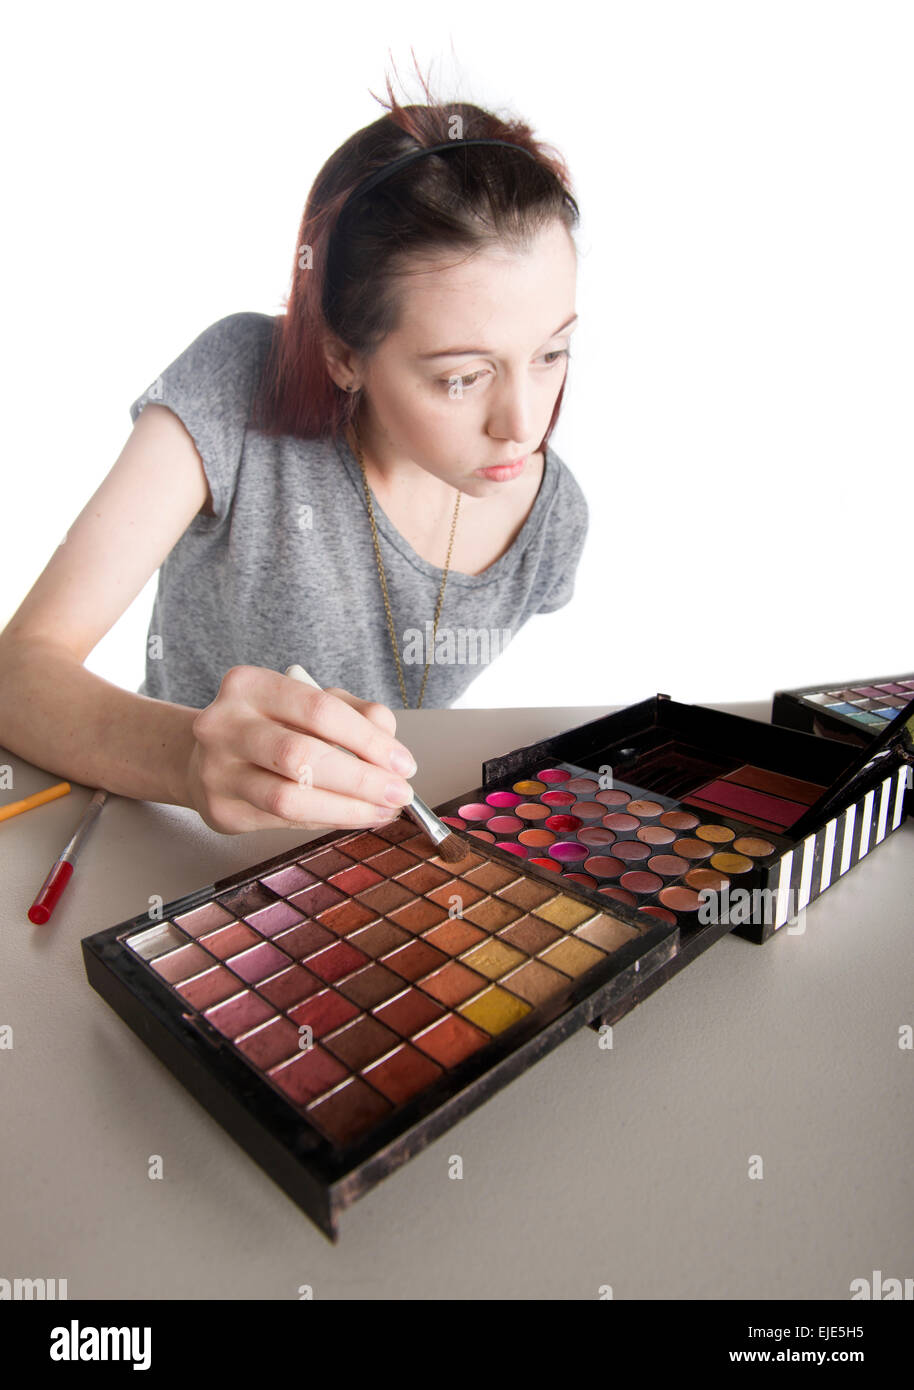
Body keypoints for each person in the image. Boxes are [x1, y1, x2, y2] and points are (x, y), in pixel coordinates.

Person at [0, 72, 587, 835]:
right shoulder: (240, 382)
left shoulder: (553, 521)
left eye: (552, 353)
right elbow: (18, 674)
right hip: (165, 849)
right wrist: (187, 759)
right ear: (343, 357)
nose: (523, 424)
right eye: (462, 377)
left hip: (351, 875)